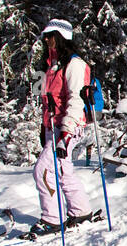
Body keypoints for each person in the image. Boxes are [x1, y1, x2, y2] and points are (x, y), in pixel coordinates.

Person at [33, 20, 100, 231]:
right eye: (44, 35)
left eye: (49, 35)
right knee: (62, 170)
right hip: (52, 127)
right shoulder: (48, 66)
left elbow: (76, 100)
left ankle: (52, 219)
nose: (45, 39)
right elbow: (43, 100)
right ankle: (80, 211)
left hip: (69, 126)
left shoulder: (75, 65)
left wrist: (65, 132)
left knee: (43, 170)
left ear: (61, 36)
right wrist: (44, 129)